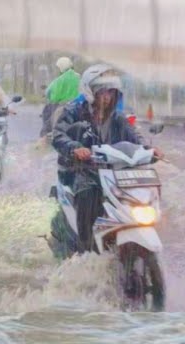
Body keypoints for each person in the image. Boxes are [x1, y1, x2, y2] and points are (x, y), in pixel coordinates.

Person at [52, 64, 162, 253]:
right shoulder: (74, 111)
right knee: (88, 194)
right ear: (90, 91)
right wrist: (76, 148)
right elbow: (58, 136)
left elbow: (135, 136)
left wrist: (149, 149)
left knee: (141, 194)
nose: (106, 97)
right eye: (102, 92)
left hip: (114, 172)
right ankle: (87, 250)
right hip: (83, 170)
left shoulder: (118, 118)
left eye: (110, 93)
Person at [41, 57, 80, 138]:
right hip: (78, 106)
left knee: (48, 124)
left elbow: (51, 95)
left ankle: (45, 138)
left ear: (61, 67)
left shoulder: (59, 80)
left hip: (62, 106)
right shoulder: (79, 77)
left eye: (58, 67)